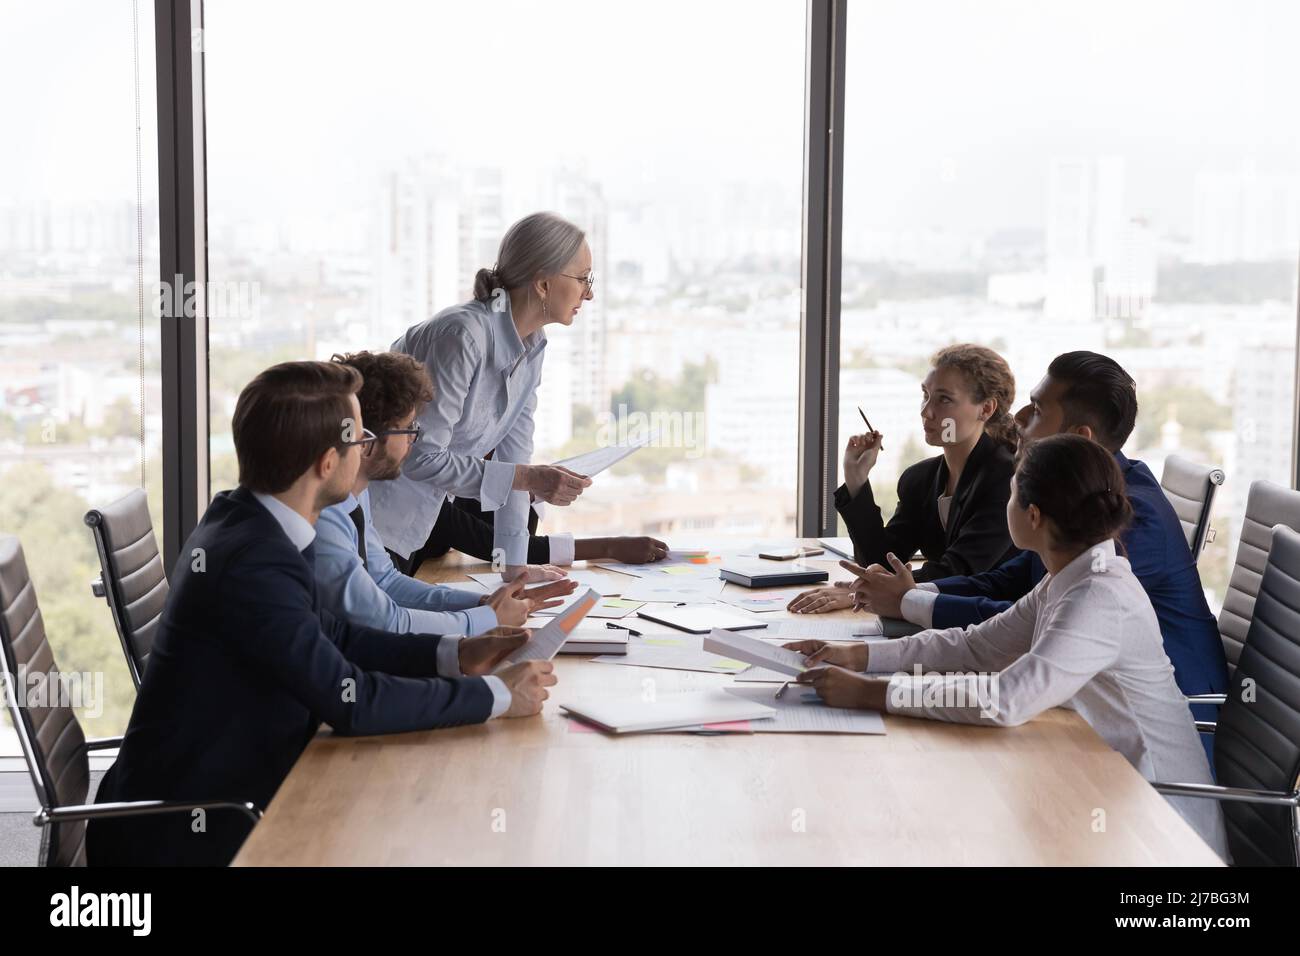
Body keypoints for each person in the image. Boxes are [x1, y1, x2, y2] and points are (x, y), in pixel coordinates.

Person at [87, 361, 556, 866]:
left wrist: (457, 653)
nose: (368, 451)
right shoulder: (255, 562)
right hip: (188, 828)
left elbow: (337, 637)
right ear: (328, 463)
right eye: (359, 441)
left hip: (232, 780)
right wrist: (496, 696)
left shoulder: (248, 521)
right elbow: (350, 701)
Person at [786, 434, 1229, 861]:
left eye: (1012, 495)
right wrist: (860, 656)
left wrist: (871, 693)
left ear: (1033, 516)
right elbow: (977, 647)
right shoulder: (1071, 577)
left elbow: (1007, 700)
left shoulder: (1098, 597)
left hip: (1159, 822)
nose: (1006, 507)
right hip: (1108, 783)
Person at [840, 352, 1229, 729]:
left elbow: (1018, 668)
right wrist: (900, 606)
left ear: (1081, 438)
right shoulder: (1077, 510)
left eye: (1038, 409)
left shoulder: (1124, 523)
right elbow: (1008, 588)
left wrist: (900, 623)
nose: (1020, 418)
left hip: (1167, 721)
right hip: (1092, 704)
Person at [370, 211, 667, 583]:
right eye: (583, 279)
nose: (589, 293)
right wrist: (527, 477)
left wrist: (515, 572)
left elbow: (515, 460)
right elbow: (420, 458)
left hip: (414, 528)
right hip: (376, 523)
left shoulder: (532, 348)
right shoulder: (462, 336)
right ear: (543, 284)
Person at [315, 351, 579, 634]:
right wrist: (488, 618)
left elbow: (386, 581)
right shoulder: (325, 513)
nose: (413, 442)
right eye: (407, 429)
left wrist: (485, 604)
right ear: (366, 440)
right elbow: (383, 619)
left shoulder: (357, 496)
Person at [790, 344, 1019, 614]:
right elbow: (882, 563)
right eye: (925, 395)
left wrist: (861, 590)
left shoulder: (1008, 480)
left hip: (995, 624)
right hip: (933, 622)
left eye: (944, 399)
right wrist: (857, 481)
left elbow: (959, 571)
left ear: (986, 408)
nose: (926, 411)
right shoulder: (920, 479)